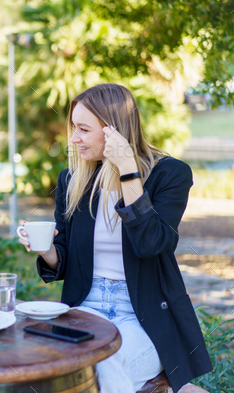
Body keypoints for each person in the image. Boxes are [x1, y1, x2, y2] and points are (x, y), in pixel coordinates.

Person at [18, 84, 212, 393]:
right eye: (73, 128)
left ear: (113, 132)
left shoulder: (169, 174)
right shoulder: (73, 179)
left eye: (83, 129)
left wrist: (127, 171)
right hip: (85, 309)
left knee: (99, 364)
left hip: (145, 317)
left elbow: (151, 243)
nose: (73, 138)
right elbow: (64, 260)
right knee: (46, 362)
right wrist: (47, 250)